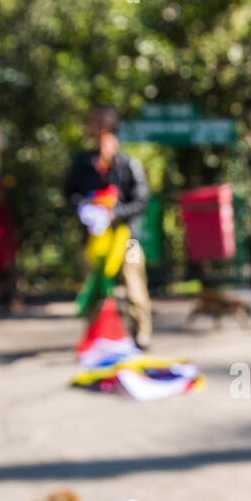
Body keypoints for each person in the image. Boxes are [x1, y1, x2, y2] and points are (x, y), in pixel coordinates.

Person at [64, 107, 152, 349]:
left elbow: (141, 200)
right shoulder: (82, 163)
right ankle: (96, 336)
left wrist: (115, 213)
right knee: (93, 289)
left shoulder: (127, 163)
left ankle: (141, 333)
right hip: (94, 239)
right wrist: (85, 207)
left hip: (126, 237)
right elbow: (68, 193)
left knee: (135, 287)